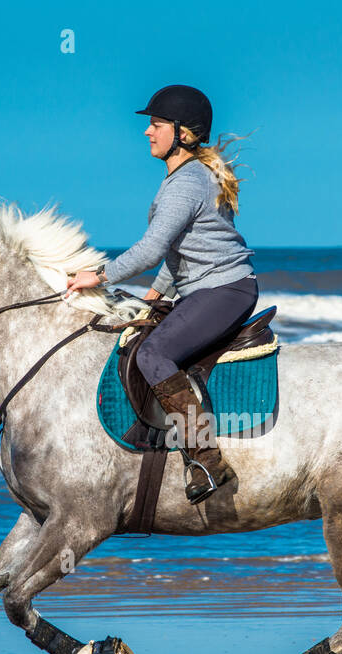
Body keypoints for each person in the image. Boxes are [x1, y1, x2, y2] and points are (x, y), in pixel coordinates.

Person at [67, 85, 258, 504]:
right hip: (210, 287)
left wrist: (95, 276)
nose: (147, 133)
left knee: (153, 355)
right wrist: (151, 296)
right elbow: (177, 256)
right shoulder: (191, 178)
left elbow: (150, 249)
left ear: (183, 133)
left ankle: (206, 458)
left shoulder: (184, 183)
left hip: (223, 289)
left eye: (155, 125)